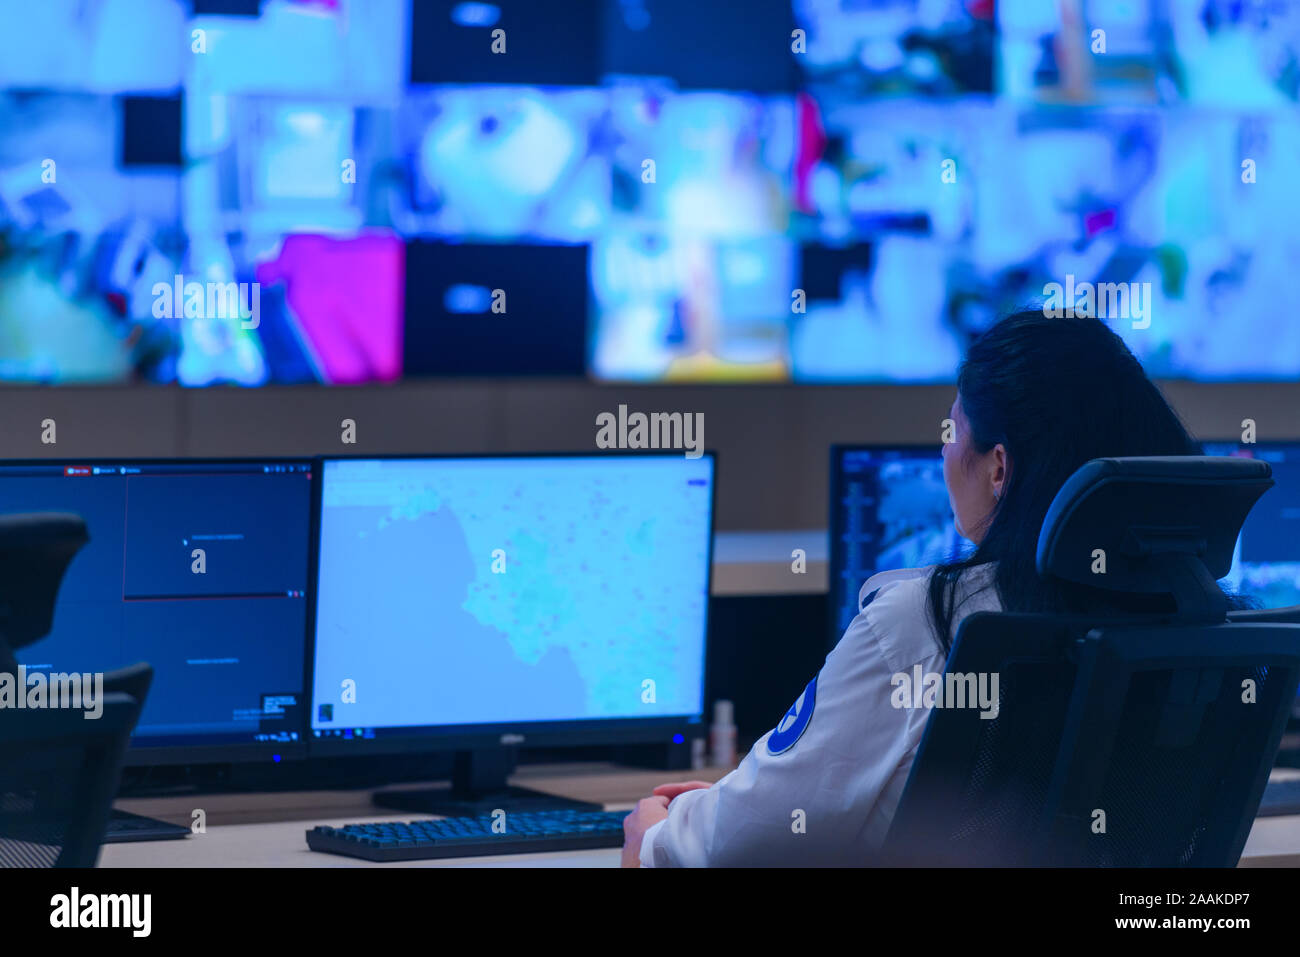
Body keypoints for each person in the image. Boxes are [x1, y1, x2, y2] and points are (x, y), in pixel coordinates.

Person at [621, 310, 1212, 867]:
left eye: (953, 431)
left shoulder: (928, 622)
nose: (945, 451)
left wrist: (656, 832)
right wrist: (748, 803)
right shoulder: (1191, 621)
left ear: (999, 467)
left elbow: (732, 850)